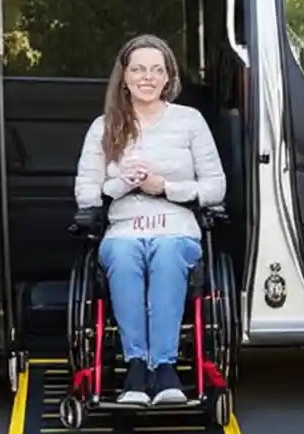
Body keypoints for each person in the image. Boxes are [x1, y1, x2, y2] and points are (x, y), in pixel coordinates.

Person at [73, 34, 226, 405]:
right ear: (123, 77)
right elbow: (86, 194)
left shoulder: (190, 121)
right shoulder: (103, 126)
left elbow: (216, 187)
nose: (148, 77)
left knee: (167, 253)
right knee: (125, 257)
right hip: (124, 227)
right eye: (139, 69)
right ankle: (136, 368)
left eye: (157, 70)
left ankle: (165, 368)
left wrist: (165, 187)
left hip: (177, 226)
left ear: (168, 77)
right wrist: (122, 183)